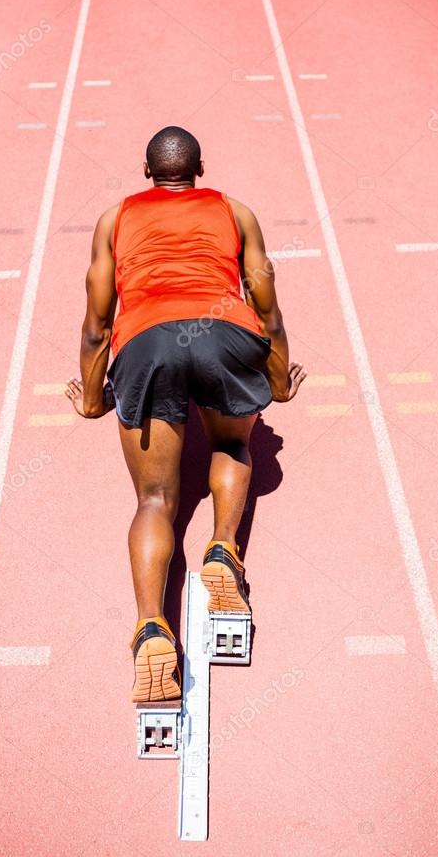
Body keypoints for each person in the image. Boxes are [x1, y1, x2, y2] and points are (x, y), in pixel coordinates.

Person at [66, 126, 306, 703]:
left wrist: (95, 399)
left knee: (154, 500)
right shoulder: (235, 211)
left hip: (146, 340)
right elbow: (267, 305)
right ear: (200, 169)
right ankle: (222, 549)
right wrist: (277, 381)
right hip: (224, 331)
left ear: (147, 172)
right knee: (231, 445)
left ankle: (152, 628)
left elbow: (97, 323)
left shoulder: (114, 219)